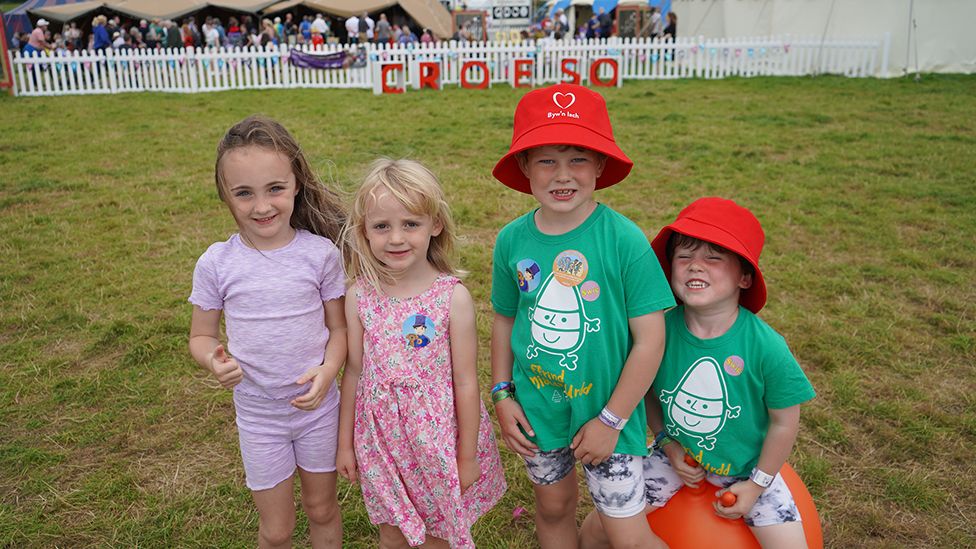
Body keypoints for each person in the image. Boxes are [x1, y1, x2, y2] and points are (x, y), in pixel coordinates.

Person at [490, 83, 676, 549]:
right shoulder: (511, 240)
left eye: (577, 159)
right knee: (553, 508)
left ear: (600, 164)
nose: (562, 174)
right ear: (524, 167)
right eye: (547, 160)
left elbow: (652, 339)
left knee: (624, 530)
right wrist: (501, 393)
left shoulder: (624, 240)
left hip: (611, 413)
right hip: (539, 411)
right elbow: (505, 319)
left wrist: (611, 420)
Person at [580, 197, 816, 549]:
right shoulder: (658, 333)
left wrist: (757, 484)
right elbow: (646, 391)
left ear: (745, 277)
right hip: (673, 458)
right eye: (684, 256)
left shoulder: (766, 347)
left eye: (714, 258)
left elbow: (784, 421)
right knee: (597, 529)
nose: (695, 267)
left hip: (749, 468)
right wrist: (667, 443)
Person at [188, 116, 348, 548]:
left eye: (275, 189)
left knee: (323, 510)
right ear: (225, 195)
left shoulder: (321, 255)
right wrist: (212, 359)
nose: (262, 207)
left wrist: (329, 369)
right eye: (244, 193)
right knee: (276, 530)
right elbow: (200, 336)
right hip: (260, 419)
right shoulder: (217, 263)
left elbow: (339, 328)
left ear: (297, 183)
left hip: (318, 412)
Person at [336, 158, 505, 548]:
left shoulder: (451, 298)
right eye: (382, 226)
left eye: (410, 224)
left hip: (437, 441)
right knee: (391, 531)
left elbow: (465, 381)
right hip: (381, 442)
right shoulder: (359, 296)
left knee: (436, 535)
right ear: (364, 231)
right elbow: (354, 372)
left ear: (435, 224)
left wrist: (466, 457)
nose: (396, 238)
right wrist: (345, 443)